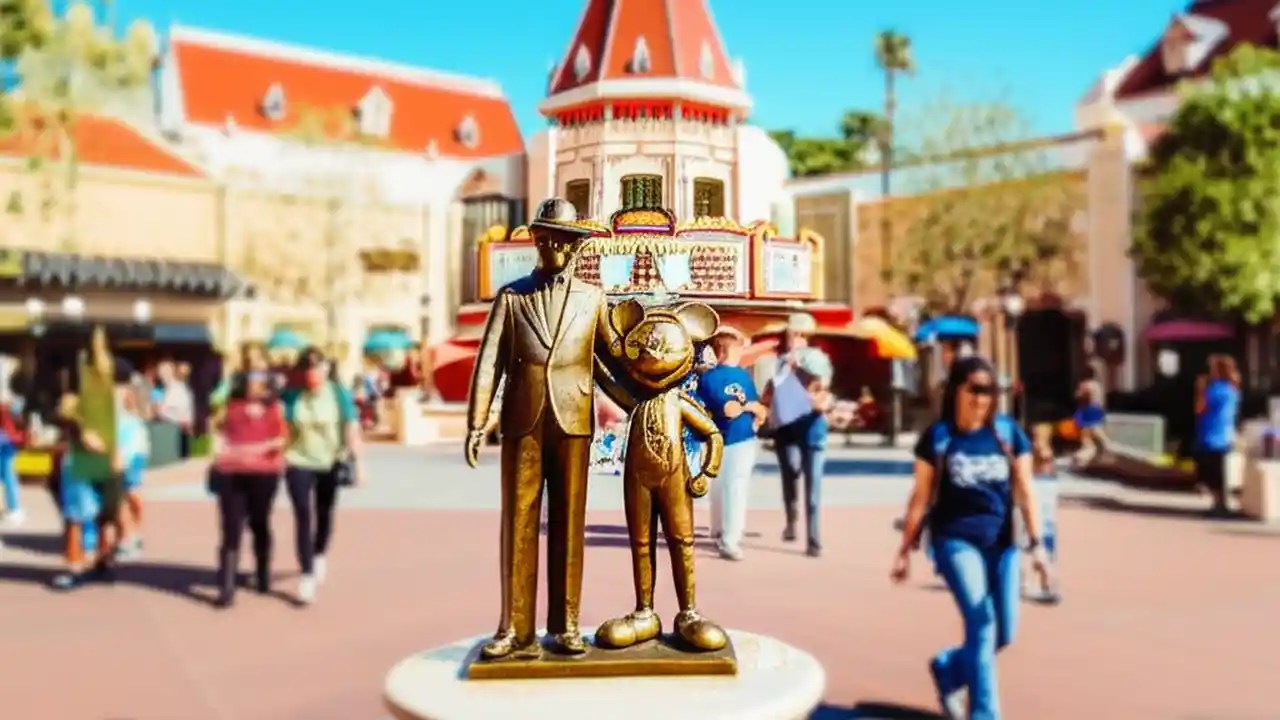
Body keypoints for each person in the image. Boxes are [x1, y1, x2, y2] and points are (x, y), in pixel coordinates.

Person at [463, 197, 633, 660]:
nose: (552, 245)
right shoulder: (512, 296)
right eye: (544, 238)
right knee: (517, 524)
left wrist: (647, 396)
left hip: (574, 420)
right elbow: (488, 365)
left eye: (560, 239)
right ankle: (513, 628)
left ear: (577, 246)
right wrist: (478, 422)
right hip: (522, 421)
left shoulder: (593, 298)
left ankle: (566, 624)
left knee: (569, 524)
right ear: (535, 241)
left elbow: (610, 362)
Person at [891, 355, 1051, 720]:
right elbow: (920, 496)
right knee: (981, 623)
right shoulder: (939, 437)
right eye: (975, 389)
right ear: (957, 391)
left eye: (989, 391)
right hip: (954, 540)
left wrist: (1039, 547)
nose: (982, 398)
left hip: (1003, 543)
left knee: (1004, 632)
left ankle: (949, 669)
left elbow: (1026, 491)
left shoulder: (1008, 434)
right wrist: (904, 551)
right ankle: (984, 713)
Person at [280, 348, 360, 605]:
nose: (312, 372)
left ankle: (319, 553)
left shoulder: (338, 394)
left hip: (330, 461)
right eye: (307, 367)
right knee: (303, 513)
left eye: (317, 366)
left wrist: (358, 461)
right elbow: (280, 427)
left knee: (324, 511)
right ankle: (306, 574)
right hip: (297, 460)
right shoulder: (291, 396)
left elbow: (350, 426)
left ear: (326, 368)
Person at [211, 369, 288, 608]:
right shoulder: (229, 407)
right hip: (232, 473)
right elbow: (217, 432)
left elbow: (284, 437)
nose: (257, 386)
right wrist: (219, 452)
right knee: (231, 526)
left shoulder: (276, 408)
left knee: (259, 522)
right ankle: (227, 587)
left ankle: (263, 572)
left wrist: (270, 446)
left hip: (264, 473)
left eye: (261, 382)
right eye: (252, 381)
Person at [761, 312, 833, 557]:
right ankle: (792, 520)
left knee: (813, 486)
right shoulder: (780, 361)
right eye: (791, 333)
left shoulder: (818, 359)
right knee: (790, 473)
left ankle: (814, 538)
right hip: (787, 427)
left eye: (798, 333)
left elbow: (822, 387)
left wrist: (799, 366)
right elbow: (773, 388)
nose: (794, 338)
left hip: (812, 427)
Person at [697, 326, 767, 561]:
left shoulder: (743, 375)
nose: (741, 351)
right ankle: (724, 536)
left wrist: (756, 413)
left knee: (729, 488)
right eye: (738, 347)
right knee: (726, 489)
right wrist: (750, 408)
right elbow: (729, 409)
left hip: (742, 439)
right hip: (722, 439)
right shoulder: (711, 378)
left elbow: (758, 407)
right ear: (725, 350)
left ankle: (724, 535)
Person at [1195, 354, 1241, 517]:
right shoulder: (1233, 389)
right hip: (1226, 433)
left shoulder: (1214, 390)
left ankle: (1218, 503)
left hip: (1212, 434)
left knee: (1213, 472)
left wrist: (1200, 389)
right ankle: (1223, 502)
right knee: (1222, 472)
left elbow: (1200, 408)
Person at [115, 386, 150, 560]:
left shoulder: (133, 419)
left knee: (128, 497)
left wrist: (125, 458)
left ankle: (131, 537)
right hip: (123, 457)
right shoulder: (120, 416)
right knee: (123, 499)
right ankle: (128, 537)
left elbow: (138, 443)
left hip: (131, 458)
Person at [1072, 367, 1108, 467]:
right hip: (1097, 410)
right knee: (1092, 434)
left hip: (1087, 412)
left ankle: (1082, 457)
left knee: (1087, 437)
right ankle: (1084, 458)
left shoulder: (1085, 385)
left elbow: (1079, 395)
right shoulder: (1098, 385)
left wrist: (1078, 393)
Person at [0, 388, 25, 527]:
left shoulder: (10, 402)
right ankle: (13, 509)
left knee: (9, 476)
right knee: (9, 476)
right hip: (6, 440)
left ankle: (14, 508)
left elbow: (16, 411)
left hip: (6, 441)